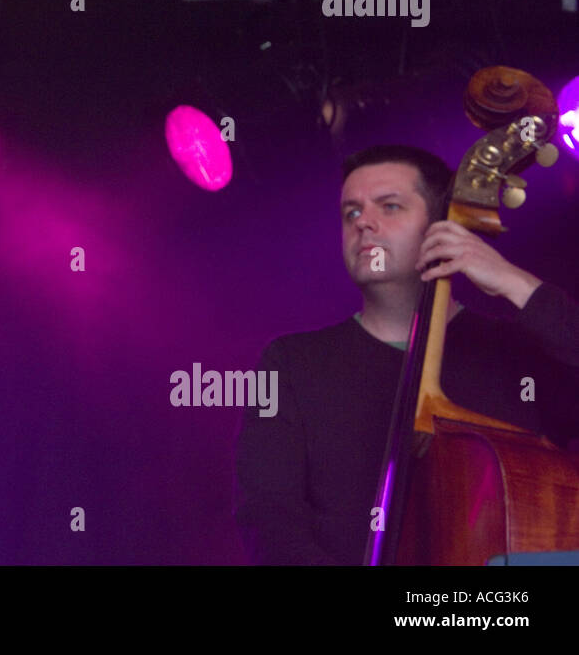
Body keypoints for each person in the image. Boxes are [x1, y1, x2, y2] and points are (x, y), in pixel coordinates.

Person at [233, 144, 579, 564]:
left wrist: (515, 283)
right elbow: (269, 517)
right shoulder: (291, 363)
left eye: (390, 206)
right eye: (351, 212)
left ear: (441, 227)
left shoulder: (519, 353)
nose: (364, 223)